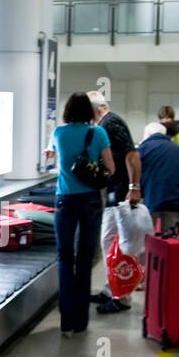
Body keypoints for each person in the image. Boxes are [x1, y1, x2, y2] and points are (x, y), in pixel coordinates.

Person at [49, 92, 115, 337]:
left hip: (64, 200)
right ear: (89, 110)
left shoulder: (58, 133)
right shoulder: (98, 133)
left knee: (65, 259)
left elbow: (59, 161)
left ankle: (66, 322)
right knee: (85, 260)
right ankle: (81, 323)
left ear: (67, 111)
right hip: (90, 202)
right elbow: (111, 168)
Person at [89, 91, 140, 315]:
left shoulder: (111, 123)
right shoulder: (108, 124)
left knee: (115, 244)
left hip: (121, 194)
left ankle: (121, 296)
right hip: (116, 192)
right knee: (110, 242)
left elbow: (132, 156)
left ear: (94, 109)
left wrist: (133, 187)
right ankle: (113, 290)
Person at [139, 120, 179, 236]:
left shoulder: (143, 149)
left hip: (151, 202)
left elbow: (137, 177)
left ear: (147, 135)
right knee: (170, 242)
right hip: (176, 203)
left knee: (149, 242)